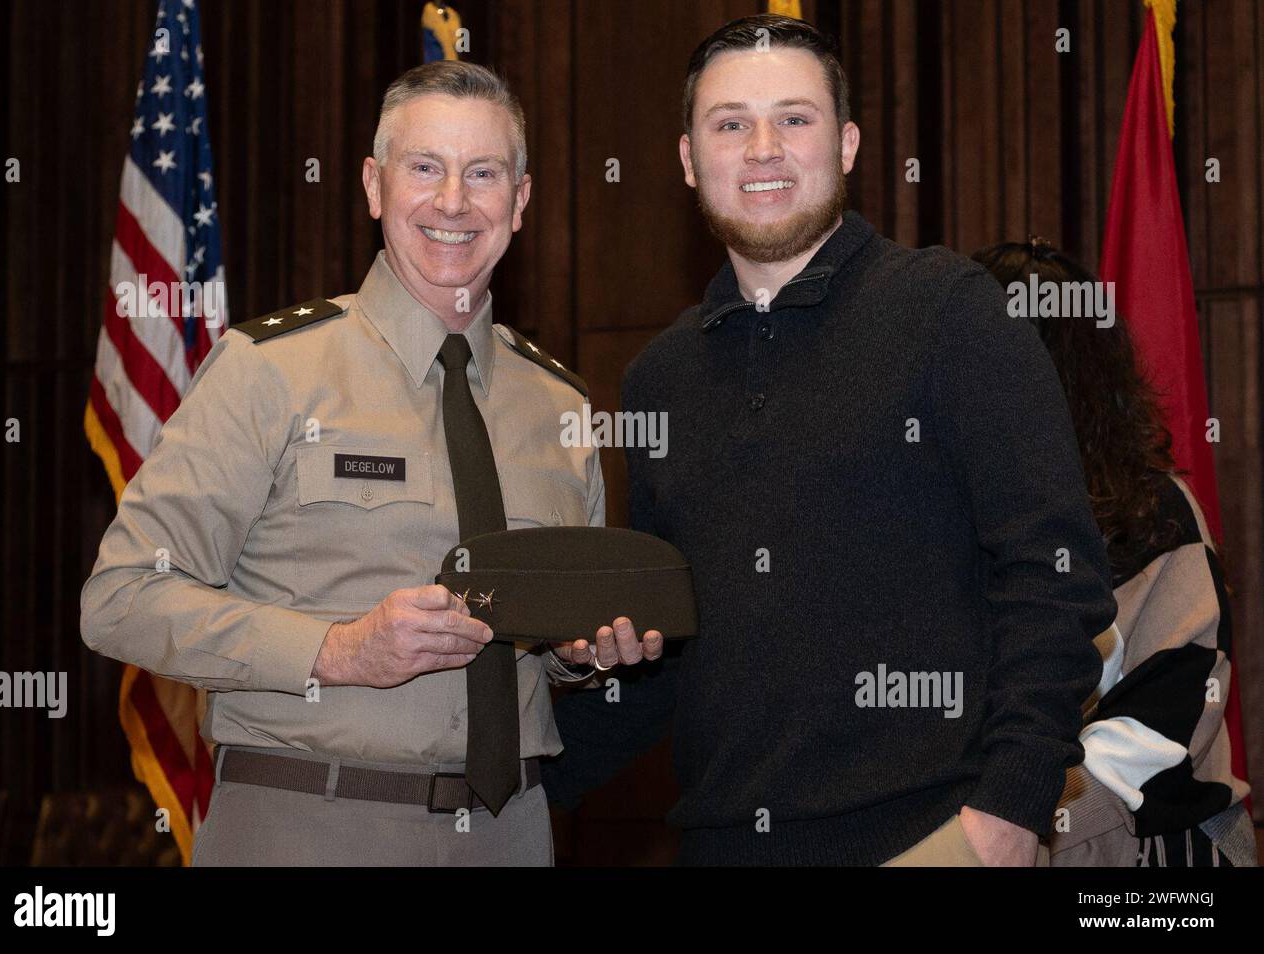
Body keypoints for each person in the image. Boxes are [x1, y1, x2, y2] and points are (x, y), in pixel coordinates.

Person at [541, 14, 1118, 866]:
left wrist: (1010, 808)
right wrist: (555, 721)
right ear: (689, 160)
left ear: (846, 144)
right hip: (719, 845)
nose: (764, 147)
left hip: (932, 838)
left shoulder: (951, 313)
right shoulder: (659, 377)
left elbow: (1057, 574)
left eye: (795, 118)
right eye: (731, 123)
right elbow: (675, 653)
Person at [80, 60, 654, 867]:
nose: (453, 201)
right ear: (373, 186)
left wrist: (576, 653)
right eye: (425, 167)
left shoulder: (557, 403)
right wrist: (336, 649)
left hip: (512, 833)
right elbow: (120, 597)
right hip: (310, 820)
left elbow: (542, 638)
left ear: (519, 202)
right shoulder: (269, 369)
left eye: (482, 173)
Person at [973, 239, 1256, 867]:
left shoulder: (1155, 515)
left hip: (1155, 860)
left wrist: (1015, 815)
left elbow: (1160, 726)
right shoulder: (947, 508)